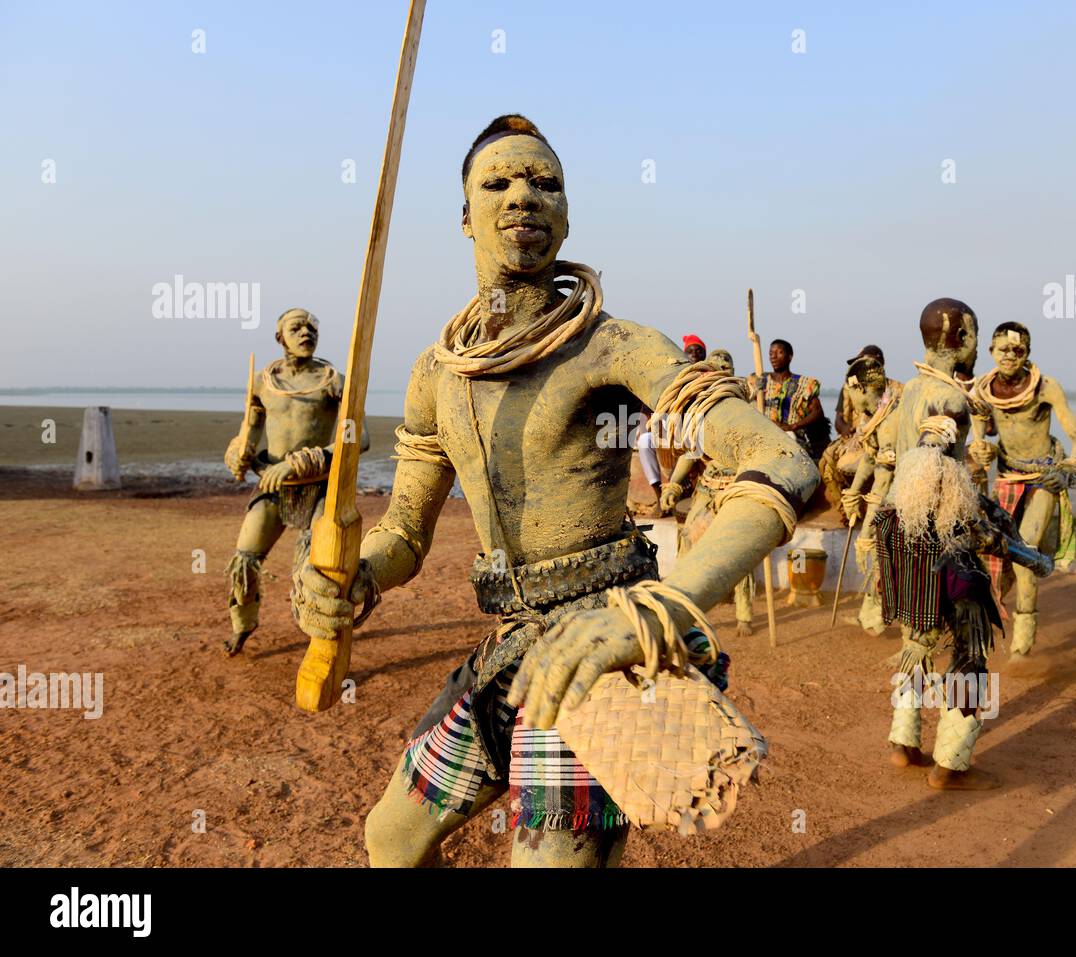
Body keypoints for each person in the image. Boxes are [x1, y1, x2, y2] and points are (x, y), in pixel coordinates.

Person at [291, 115, 818, 867]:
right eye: (498, 182)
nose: (523, 198)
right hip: (508, 646)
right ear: (464, 215)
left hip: (599, 651)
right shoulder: (438, 374)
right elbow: (406, 530)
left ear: (568, 217)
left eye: (546, 184)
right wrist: (355, 578)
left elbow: (784, 463)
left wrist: (650, 615)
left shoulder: (615, 346)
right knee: (391, 838)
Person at [850, 299, 1018, 789]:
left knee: (915, 642)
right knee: (971, 649)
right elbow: (930, 458)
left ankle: (904, 744)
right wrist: (974, 520)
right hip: (942, 540)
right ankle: (952, 764)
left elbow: (896, 464)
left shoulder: (907, 393)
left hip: (902, 533)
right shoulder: (948, 399)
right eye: (976, 335)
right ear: (963, 338)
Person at [220, 308, 368, 657]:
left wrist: (300, 463)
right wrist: (238, 453)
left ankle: (319, 637)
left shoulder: (333, 380)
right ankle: (243, 625)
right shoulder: (262, 381)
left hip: (318, 488)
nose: (306, 333)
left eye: (312, 328)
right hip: (273, 488)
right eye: (296, 327)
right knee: (244, 561)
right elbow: (250, 433)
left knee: (315, 571)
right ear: (280, 337)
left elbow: (358, 438)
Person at [967, 322, 1076, 660]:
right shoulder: (982, 391)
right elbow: (979, 442)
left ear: (1028, 354)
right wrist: (981, 452)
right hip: (1006, 480)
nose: (1009, 355)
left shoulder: (1046, 387)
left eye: (1017, 350)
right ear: (991, 352)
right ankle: (988, 626)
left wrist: (1069, 470)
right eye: (1002, 349)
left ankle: (1022, 644)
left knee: (1024, 554)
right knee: (990, 552)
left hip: (1043, 479)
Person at [660, 349, 757, 636]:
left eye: (724, 368)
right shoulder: (703, 413)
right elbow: (690, 452)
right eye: (714, 369)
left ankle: (744, 615)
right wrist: (674, 486)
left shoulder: (746, 412)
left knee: (739, 550)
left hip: (738, 488)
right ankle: (682, 608)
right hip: (708, 487)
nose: (719, 373)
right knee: (689, 540)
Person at [824, 345, 901, 520]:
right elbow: (839, 420)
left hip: (886, 443)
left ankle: (888, 512)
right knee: (827, 462)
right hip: (855, 439)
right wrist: (846, 430)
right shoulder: (850, 387)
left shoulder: (897, 389)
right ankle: (845, 508)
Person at [752, 339, 830, 461]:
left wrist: (793, 426)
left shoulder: (804, 384)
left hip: (793, 439)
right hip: (764, 438)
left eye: (779, 352)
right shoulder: (759, 381)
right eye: (771, 353)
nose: (774, 357)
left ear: (790, 356)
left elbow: (817, 412)